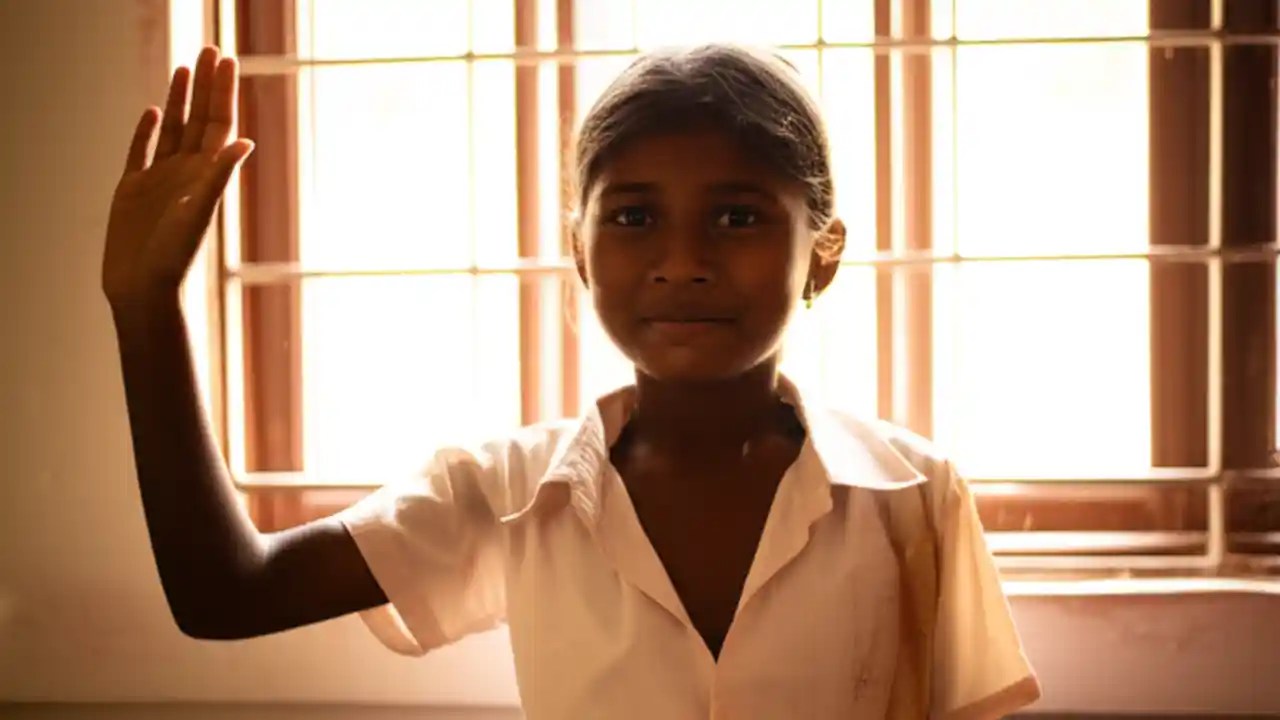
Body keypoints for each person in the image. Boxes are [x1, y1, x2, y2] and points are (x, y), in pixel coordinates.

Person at [103, 42, 1042, 719]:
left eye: (739, 217)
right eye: (633, 219)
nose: (683, 260)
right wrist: (147, 308)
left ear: (822, 255)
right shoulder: (507, 495)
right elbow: (225, 594)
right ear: (580, 255)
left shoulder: (915, 496)